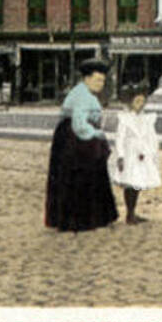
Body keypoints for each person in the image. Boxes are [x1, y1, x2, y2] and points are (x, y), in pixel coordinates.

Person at [45, 61, 118, 233]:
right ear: (86, 78)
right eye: (97, 80)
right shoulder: (83, 96)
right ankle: (80, 220)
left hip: (71, 138)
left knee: (81, 178)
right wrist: (96, 134)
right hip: (75, 140)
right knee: (81, 177)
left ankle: (84, 217)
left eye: (103, 81)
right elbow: (79, 124)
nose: (101, 84)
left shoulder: (84, 92)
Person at [109, 84, 161, 225]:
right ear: (131, 102)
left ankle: (133, 212)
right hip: (130, 154)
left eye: (142, 101)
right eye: (137, 101)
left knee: (138, 183)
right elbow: (119, 138)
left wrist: (150, 152)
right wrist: (120, 156)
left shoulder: (147, 119)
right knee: (130, 183)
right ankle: (129, 213)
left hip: (142, 154)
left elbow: (151, 137)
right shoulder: (125, 119)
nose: (140, 104)